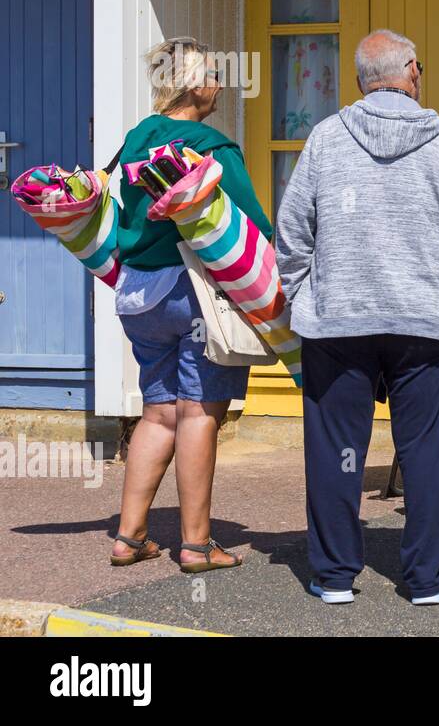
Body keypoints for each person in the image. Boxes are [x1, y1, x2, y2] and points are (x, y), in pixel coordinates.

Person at [275, 29, 439, 605]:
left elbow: (293, 230)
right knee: (426, 449)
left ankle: (333, 576)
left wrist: (304, 295)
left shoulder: (325, 139)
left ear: (359, 81)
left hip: (339, 320)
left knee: (335, 449)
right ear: (414, 71)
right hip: (424, 322)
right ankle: (424, 579)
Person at [110, 37, 272, 572]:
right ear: (197, 84)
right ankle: (197, 544)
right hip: (192, 291)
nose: (221, 86)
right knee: (200, 412)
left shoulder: (136, 139)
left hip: (137, 292)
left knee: (157, 412)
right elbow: (247, 222)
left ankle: (129, 537)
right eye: (215, 76)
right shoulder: (209, 143)